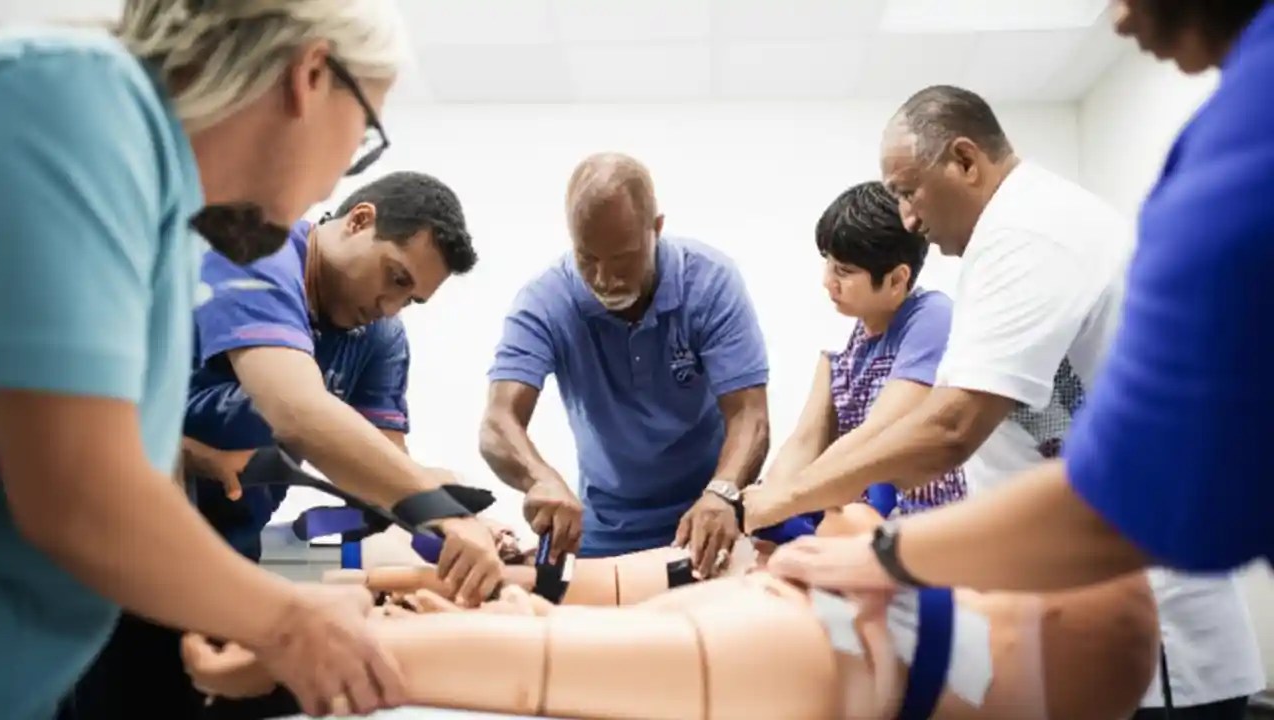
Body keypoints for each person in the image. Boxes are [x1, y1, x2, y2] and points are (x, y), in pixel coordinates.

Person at [767, 0, 1274, 662]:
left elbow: (947, 432)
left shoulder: (1025, 236)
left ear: (966, 162)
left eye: (910, 193)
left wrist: (845, 533)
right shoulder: (997, 249)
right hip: (1068, 605)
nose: (910, 220)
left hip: (1147, 630)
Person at [0, 2, 415, 718]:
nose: (330, 187)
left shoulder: (170, 214)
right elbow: (78, 493)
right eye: (362, 138)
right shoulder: (79, 105)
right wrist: (286, 621)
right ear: (310, 75)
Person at [59, 171, 498, 720]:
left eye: (410, 299)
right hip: (120, 552)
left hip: (230, 561)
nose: (390, 305)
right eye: (394, 277)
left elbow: (384, 473)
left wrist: (458, 513)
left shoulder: (379, 338)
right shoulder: (256, 252)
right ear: (359, 221)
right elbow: (296, 412)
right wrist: (438, 508)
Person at [182, 504, 1163, 720]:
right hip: (825, 642)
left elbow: (559, 646)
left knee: (537, 639)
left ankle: (302, 620)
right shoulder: (1102, 614)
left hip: (820, 646)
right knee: (538, 629)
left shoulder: (1101, 592)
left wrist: (284, 650)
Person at [479, 152, 770, 576]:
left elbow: (749, 414)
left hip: (709, 514)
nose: (604, 279)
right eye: (588, 259)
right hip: (605, 529)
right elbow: (498, 421)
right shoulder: (545, 302)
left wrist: (722, 494)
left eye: (622, 259)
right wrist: (539, 477)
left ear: (657, 229)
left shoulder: (710, 281)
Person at [761, 180, 965, 518]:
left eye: (844, 271)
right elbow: (805, 440)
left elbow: (880, 434)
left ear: (897, 280)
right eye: (828, 263)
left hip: (929, 522)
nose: (828, 281)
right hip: (870, 519)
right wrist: (766, 498)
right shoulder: (851, 336)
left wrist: (786, 500)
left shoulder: (932, 318)